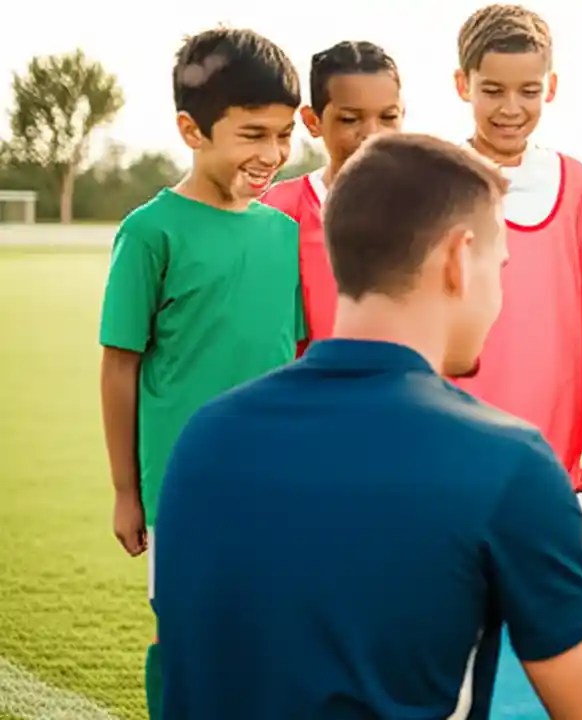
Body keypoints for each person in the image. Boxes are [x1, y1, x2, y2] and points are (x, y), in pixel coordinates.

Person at [152, 133, 582, 720]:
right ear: (458, 259)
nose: (500, 295)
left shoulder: (207, 437)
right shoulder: (505, 462)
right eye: (499, 266)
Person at [97, 27, 302, 719]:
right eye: (251, 134)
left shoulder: (283, 231)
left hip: (274, 480)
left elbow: (292, 355)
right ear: (192, 128)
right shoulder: (151, 232)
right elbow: (120, 365)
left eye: (280, 135)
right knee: (187, 638)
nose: (270, 154)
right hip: (185, 487)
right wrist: (127, 491)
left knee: (267, 637)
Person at [450, 6, 582, 717]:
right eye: (493, 89)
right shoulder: (441, 180)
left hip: (555, 442)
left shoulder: (579, 185)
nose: (511, 107)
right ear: (463, 85)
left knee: (539, 613)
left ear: (552, 87)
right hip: (458, 439)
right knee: (457, 607)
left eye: (528, 89)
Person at [261, 40, 404, 352]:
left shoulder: (430, 210)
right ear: (313, 121)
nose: (372, 133)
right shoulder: (278, 212)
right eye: (350, 119)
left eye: (388, 117)